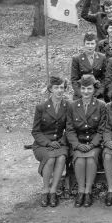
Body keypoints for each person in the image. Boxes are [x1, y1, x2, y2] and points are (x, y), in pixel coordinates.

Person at [66, 74, 107, 208]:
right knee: (78, 158)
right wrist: (77, 145)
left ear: (94, 89)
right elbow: (70, 129)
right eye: (83, 89)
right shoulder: (73, 106)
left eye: (89, 89)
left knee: (90, 159)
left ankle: (88, 191)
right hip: (78, 143)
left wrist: (92, 145)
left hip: (94, 145)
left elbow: (102, 130)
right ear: (79, 89)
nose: (86, 92)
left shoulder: (101, 105)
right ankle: (80, 191)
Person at [31, 76, 70, 207]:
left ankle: (53, 191)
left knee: (61, 157)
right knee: (50, 158)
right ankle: (45, 190)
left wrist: (61, 140)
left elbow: (69, 128)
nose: (59, 90)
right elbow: (35, 131)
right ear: (50, 89)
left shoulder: (68, 105)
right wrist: (48, 143)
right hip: (43, 144)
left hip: (60, 142)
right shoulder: (41, 107)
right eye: (56, 87)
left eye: (62, 88)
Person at [71, 32, 106, 99]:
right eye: (88, 43)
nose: (90, 46)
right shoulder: (77, 59)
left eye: (92, 43)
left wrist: (99, 92)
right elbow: (74, 80)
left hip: (97, 93)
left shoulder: (102, 57)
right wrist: (81, 94)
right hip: (82, 92)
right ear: (84, 44)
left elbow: (105, 78)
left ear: (96, 44)